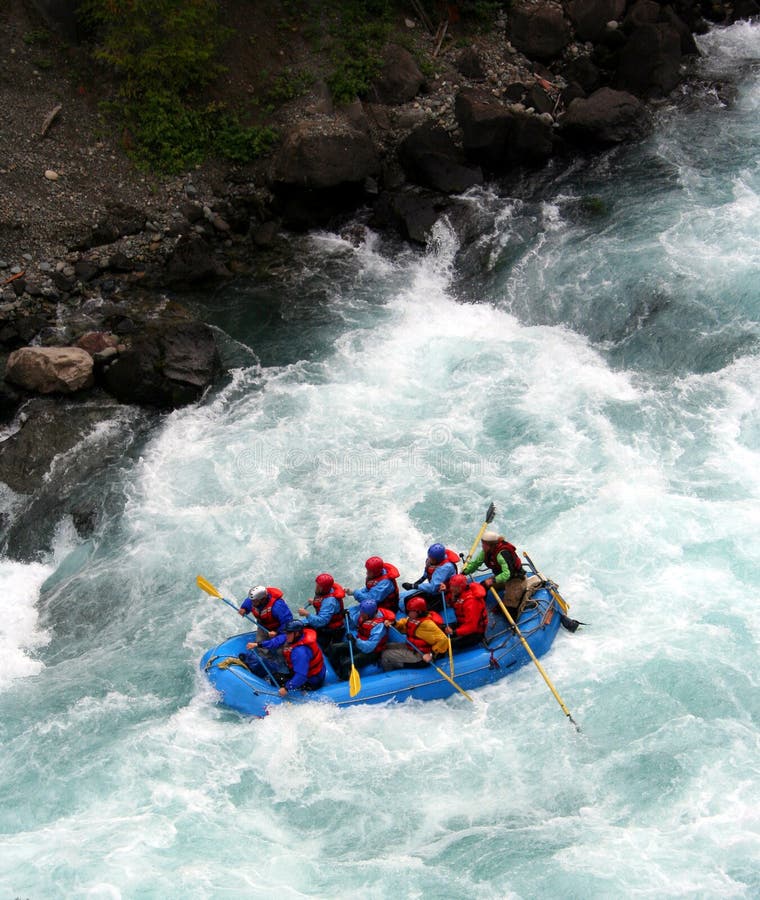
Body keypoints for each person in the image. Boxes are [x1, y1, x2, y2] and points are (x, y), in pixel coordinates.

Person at [242, 620, 326, 696]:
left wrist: (287, 688)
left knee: (275, 678)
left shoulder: (300, 652)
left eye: (288, 633)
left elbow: (301, 676)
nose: (286, 635)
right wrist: (258, 644)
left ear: (297, 633)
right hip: (309, 673)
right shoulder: (295, 637)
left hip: (310, 681)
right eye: (286, 632)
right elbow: (276, 641)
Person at [462, 530, 527, 620]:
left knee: (509, 609)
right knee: (483, 585)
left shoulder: (503, 554)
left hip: (515, 580)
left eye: (483, 544)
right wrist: (463, 573)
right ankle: (480, 609)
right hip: (502, 579)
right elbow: (476, 563)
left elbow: (507, 574)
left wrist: (493, 580)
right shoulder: (486, 552)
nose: (482, 546)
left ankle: (513, 624)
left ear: (490, 545)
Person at [326, 599, 394, 680]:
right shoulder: (363, 615)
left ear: (369, 615)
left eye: (363, 613)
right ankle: (334, 671)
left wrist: (356, 641)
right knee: (334, 648)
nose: (360, 614)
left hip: (372, 653)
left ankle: (344, 681)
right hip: (360, 644)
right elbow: (352, 626)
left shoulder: (379, 627)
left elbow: (370, 647)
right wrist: (346, 618)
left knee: (346, 664)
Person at [380, 595, 450, 671]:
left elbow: (443, 640)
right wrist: (394, 624)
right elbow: (404, 625)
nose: (408, 613)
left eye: (410, 611)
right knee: (386, 647)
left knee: (386, 655)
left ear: (419, 612)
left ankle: (390, 674)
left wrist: (431, 655)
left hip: (421, 656)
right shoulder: (413, 618)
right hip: (413, 647)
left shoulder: (427, 625)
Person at [401, 542, 459, 610]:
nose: (429, 559)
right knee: (406, 597)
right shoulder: (431, 560)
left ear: (438, 559)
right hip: (434, 590)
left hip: (443, 593)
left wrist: (413, 586)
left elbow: (433, 587)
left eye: (432, 558)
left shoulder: (445, 567)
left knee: (421, 608)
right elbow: (427, 573)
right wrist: (418, 582)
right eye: (429, 557)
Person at [298, 573, 346, 649]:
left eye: (318, 586)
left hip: (332, 630)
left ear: (324, 588)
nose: (316, 587)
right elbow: (322, 603)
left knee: (320, 645)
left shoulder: (330, 602)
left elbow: (322, 621)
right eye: (317, 585)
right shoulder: (327, 591)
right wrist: (314, 602)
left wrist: (307, 614)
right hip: (326, 623)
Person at [444, 574, 487, 651]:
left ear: (461, 587)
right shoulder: (459, 593)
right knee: (442, 630)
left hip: (475, 632)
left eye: (454, 587)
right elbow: (451, 601)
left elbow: (471, 626)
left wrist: (454, 632)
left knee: (447, 643)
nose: (452, 589)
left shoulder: (471, 601)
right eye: (451, 586)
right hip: (462, 624)